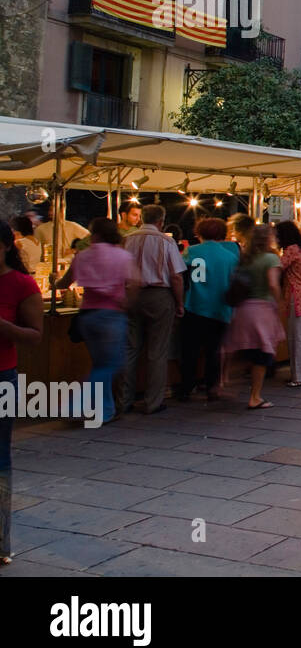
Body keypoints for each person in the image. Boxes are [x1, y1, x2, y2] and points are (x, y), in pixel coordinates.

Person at [57, 218, 136, 424]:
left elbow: (65, 282)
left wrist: (53, 282)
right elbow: (136, 281)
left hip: (87, 315)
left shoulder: (82, 256)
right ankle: (74, 406)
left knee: (101, 364)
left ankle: (106, 410)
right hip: (111, 315)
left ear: (95, 234)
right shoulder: (122, 256)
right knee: (110, 364)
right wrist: (128, 301)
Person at [0, 222, 43, 565]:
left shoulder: (21, 284)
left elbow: (34, 336)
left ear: (4, 246)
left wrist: (3, 326)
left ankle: (1, 542)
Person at [119, 205, 185, 416]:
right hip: (159, 296)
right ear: (161, 221)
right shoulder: (166, 241)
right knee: (157, 351)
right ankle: (152, 402)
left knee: (130, 349)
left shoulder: (127, 240)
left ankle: (124, 400)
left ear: (141, 219)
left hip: (131, 295)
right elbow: (176, 276)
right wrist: (180, 303)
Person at [176, 217, 238, 401]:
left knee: (190, 351)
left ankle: (187, 387)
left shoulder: (192, 251)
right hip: (220, 309)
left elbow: (181, 273)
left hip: (194, 305)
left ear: (200, 233)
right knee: (214, 350)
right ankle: (212, 386)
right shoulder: (230, 257)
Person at [221, 224, 283, 409]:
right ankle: (255, 396)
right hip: (262, 310)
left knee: (243, 348)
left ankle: (223, 381)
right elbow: (273, 284)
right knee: (261, 355)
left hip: (243, 309)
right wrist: (280, 302)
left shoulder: (246, 258)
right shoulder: (271, 258)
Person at [276, 220, 301, 388]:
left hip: (295, 295)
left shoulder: (291, 249)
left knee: (296, 337)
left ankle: (299, 376)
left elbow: (279, 266)